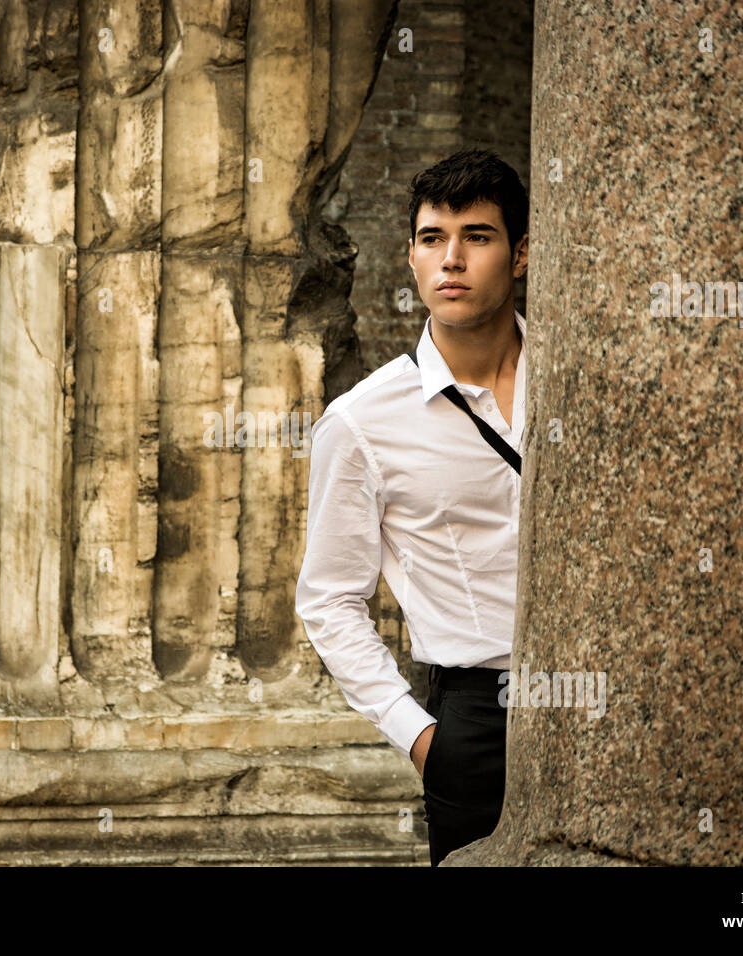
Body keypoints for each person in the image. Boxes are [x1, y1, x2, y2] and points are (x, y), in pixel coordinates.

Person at [295, 147, 529, 866]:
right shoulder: (363, 420)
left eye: (477, 238)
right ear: (412, 257)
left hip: (615, 693)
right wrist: (423, 739)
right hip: (478, 718)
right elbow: (329, 599)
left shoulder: (583, 372)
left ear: (520, 256)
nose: (451, 259)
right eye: (433, 239)